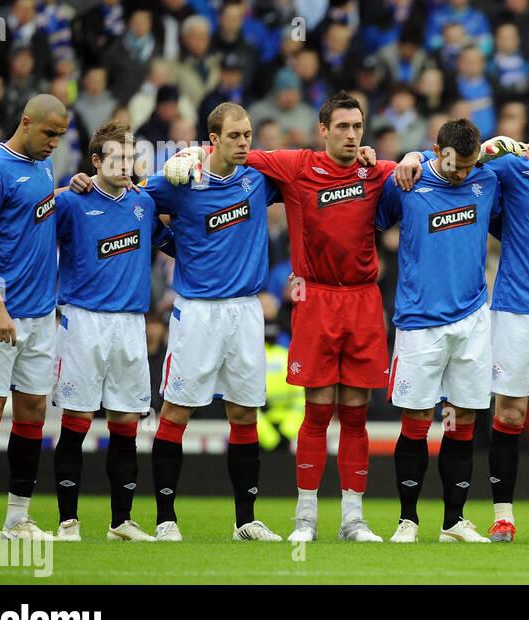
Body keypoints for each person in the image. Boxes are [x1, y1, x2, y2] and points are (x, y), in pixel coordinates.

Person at [169, 92, 404, 543]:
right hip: (316, 301)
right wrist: (192, 152)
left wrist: (411, 156)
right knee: (317, 412)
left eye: (358, 127)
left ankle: (353, 520)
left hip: (362, 301)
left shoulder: (376, 171)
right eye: (342, 127)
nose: (352, 135)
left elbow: (415, 169)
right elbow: (232, 150)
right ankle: (305, 519)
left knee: (355, 415)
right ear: (323, 130)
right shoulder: (295, 165)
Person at [395, 97, 529, 543]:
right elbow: (463, 158)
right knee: (508, 413)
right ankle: (503, 517)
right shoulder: (505, 170)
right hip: (513, 307)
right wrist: (412, 154)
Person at [140, 102, 283, 542]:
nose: (244, 143)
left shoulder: (259, 176)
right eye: (235, 136)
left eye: (248, 135)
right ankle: (165, 519)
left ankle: (245, 521)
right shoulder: (182, 180)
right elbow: (135, 201)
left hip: (245, 310)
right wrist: (172, 241)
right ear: (213, 140)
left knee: (244, 413)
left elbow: (312, 169)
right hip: (197, 310)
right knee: (177, 410)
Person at [376, 118, 502, 543]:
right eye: (455, 165)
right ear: (435, 149)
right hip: (419, 321)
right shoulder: (407, 181)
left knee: (461, 419)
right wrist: (410, 157)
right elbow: (373, 220)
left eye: (470, 166)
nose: (463, 174)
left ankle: (453, 522)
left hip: (472, 317)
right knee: (415, 420)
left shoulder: (487, 178)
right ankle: (407, 521)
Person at [50, 120, 173, 542]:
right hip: (83, 320)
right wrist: (67, 188)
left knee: (126, 422)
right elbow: (33, 223)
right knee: (78, 419)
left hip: (131, 325)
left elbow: (170, 240)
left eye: (130, 157)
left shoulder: (143, 203)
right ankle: (68, 522)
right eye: (115, 158)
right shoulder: (73, 202)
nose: (125, 165)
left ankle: (121, 522)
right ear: (97, 161)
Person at [0, 94, 68, 542]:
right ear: (26, 122)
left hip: (40, 315)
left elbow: (30, 217)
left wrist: (65, 191)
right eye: (49, 134)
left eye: (60, 136)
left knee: (34, 411)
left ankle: (17, 519)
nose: (55, 143)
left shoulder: (43, 168)